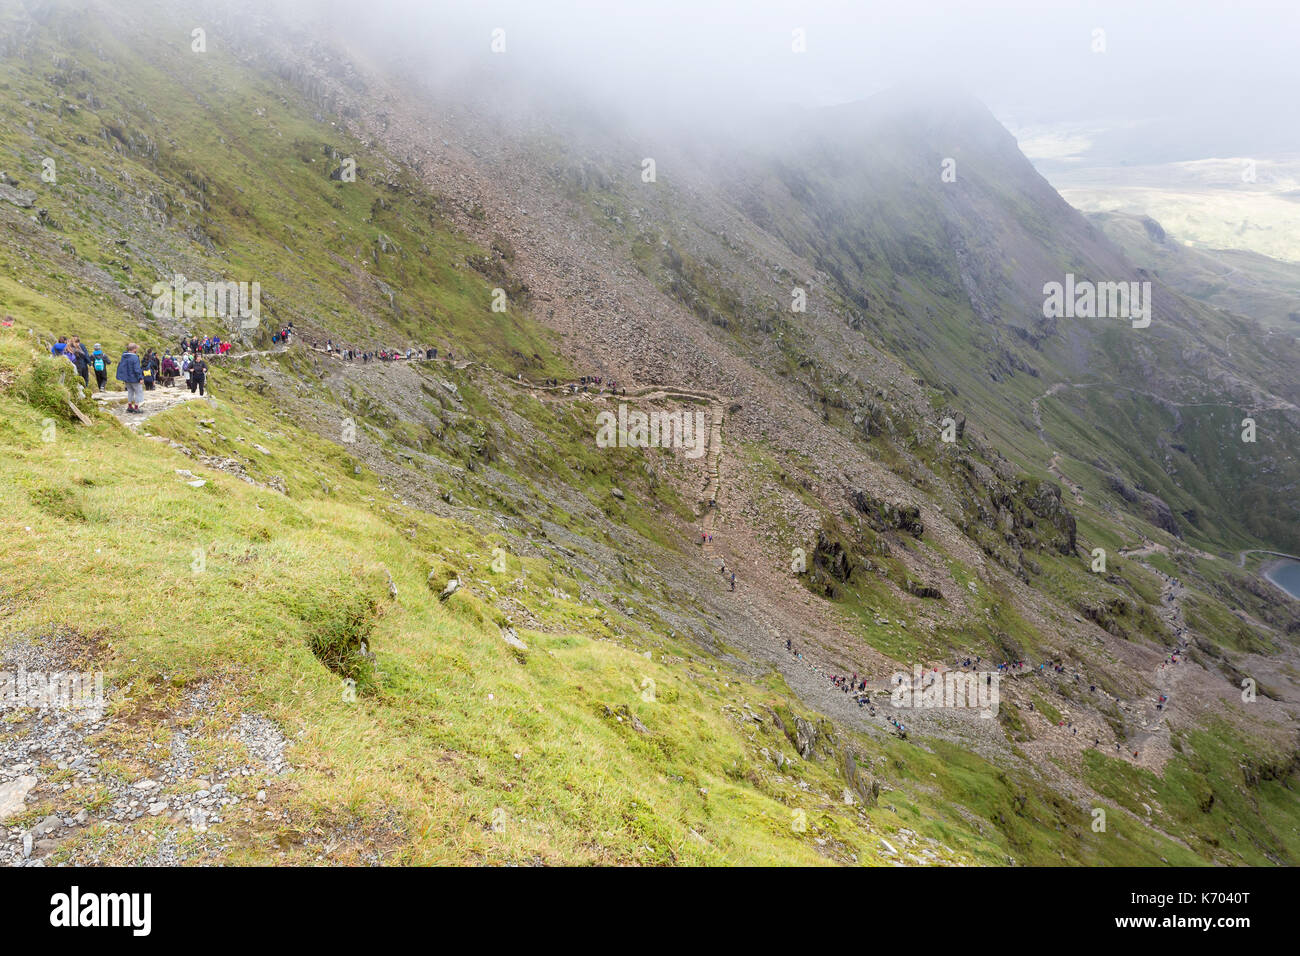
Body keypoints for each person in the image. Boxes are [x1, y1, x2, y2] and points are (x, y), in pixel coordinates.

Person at [115, 343, 144, 414]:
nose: (137, 350)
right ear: (134, 349)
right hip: (134, 378)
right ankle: (136, 408)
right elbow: (137, 369)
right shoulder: (135, 357)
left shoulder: (124, 356)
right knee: (138, 392)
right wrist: (140, 378)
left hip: (126, 378)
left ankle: (130, 407)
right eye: (136, 348)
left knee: (130, 392)